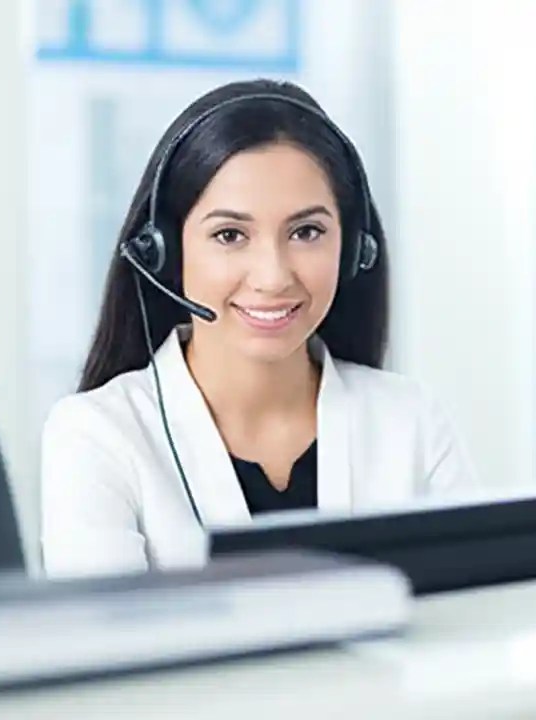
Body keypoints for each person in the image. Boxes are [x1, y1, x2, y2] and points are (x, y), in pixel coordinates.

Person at [40, 79, 479, 578]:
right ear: (162, 251)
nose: (272, 276)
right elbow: (106, 644)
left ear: (356, 249)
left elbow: (470, 623)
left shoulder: (411, 420)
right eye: (230, 235)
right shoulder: (98, 434)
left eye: (306, 232)